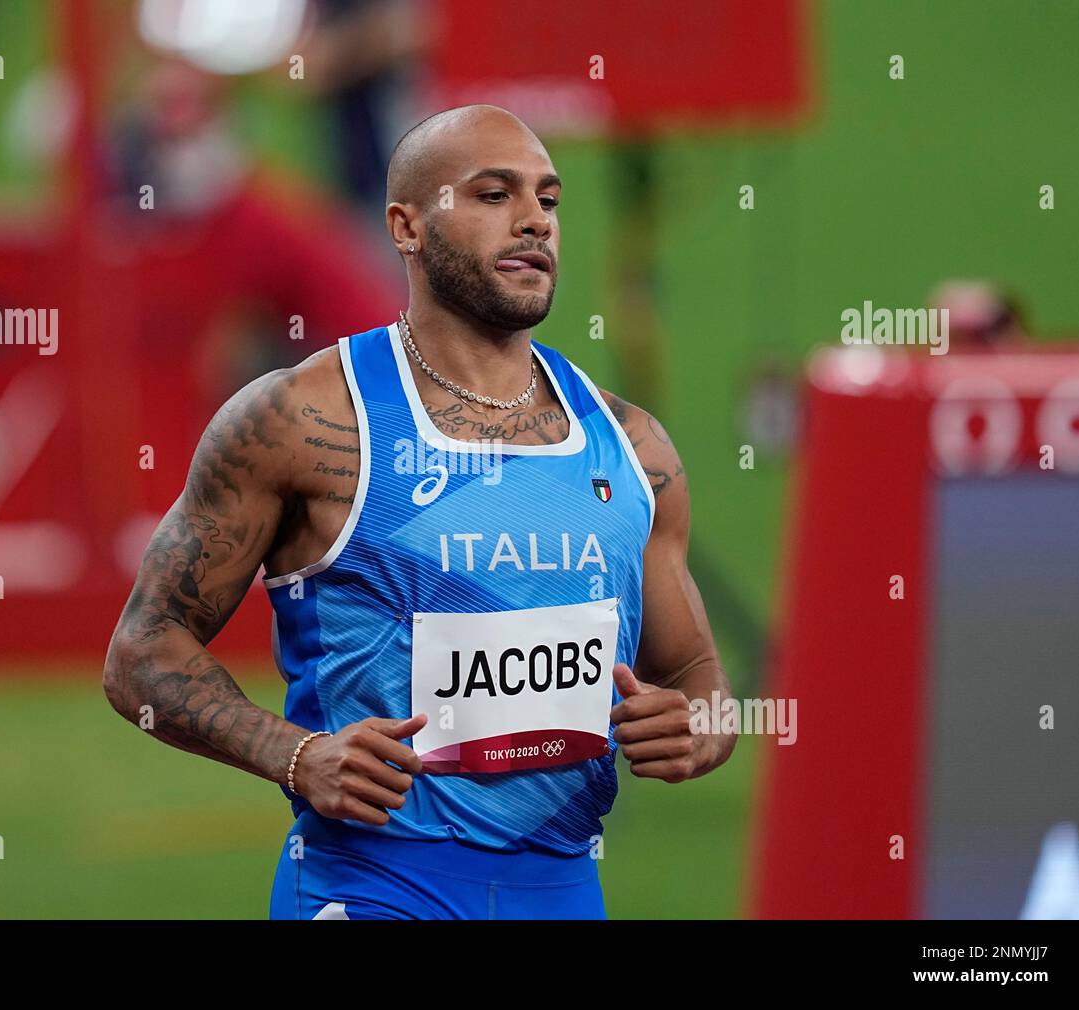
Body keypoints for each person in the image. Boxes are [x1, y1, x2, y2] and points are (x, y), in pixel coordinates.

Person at [103, 104, 736, 920]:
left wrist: (702, 727)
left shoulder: (632, 447)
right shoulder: (300, 421)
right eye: (491, 195)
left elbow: (697, 676)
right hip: (372, 886)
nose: (532, 222)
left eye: (548, 200)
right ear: (406, 226)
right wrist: (295, 756)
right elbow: (141, 652)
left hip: (565, 888)